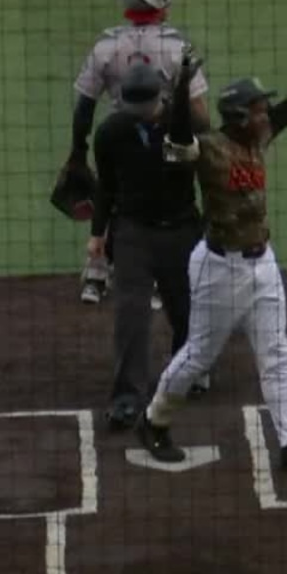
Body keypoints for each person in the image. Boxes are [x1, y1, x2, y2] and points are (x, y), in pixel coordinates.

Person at [134, 48, 287, 476]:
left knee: (275, 354)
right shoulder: (209, 150)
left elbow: (282, 116)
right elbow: (176, 143)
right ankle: (154, 420)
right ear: (239, 117)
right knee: (198, 357)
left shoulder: (257, 139)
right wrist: (180, 87)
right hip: (219, 269)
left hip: (263, 264)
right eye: (258, 109)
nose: (266, 114)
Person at [62, 0, 211, 307]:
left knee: (111, 198)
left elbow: (84, 104)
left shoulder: (106, 46)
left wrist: (77, 151)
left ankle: (96, 276)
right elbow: (200, 114)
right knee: (170, 204)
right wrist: (203, 140)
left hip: (119, 137)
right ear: (158, 2)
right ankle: (162, 280)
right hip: (167, 140)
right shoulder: (178, 48)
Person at [88, 63, 208, 429]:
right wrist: (98, 233)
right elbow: (106, 186)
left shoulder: (181, 127)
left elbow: (189, 163)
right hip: (132, 233)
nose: (137, 111)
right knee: (130, 314)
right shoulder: (110, 133)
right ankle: (127, 397)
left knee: (185, 307)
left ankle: (187, 373)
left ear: (161, 97)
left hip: (181, 230)